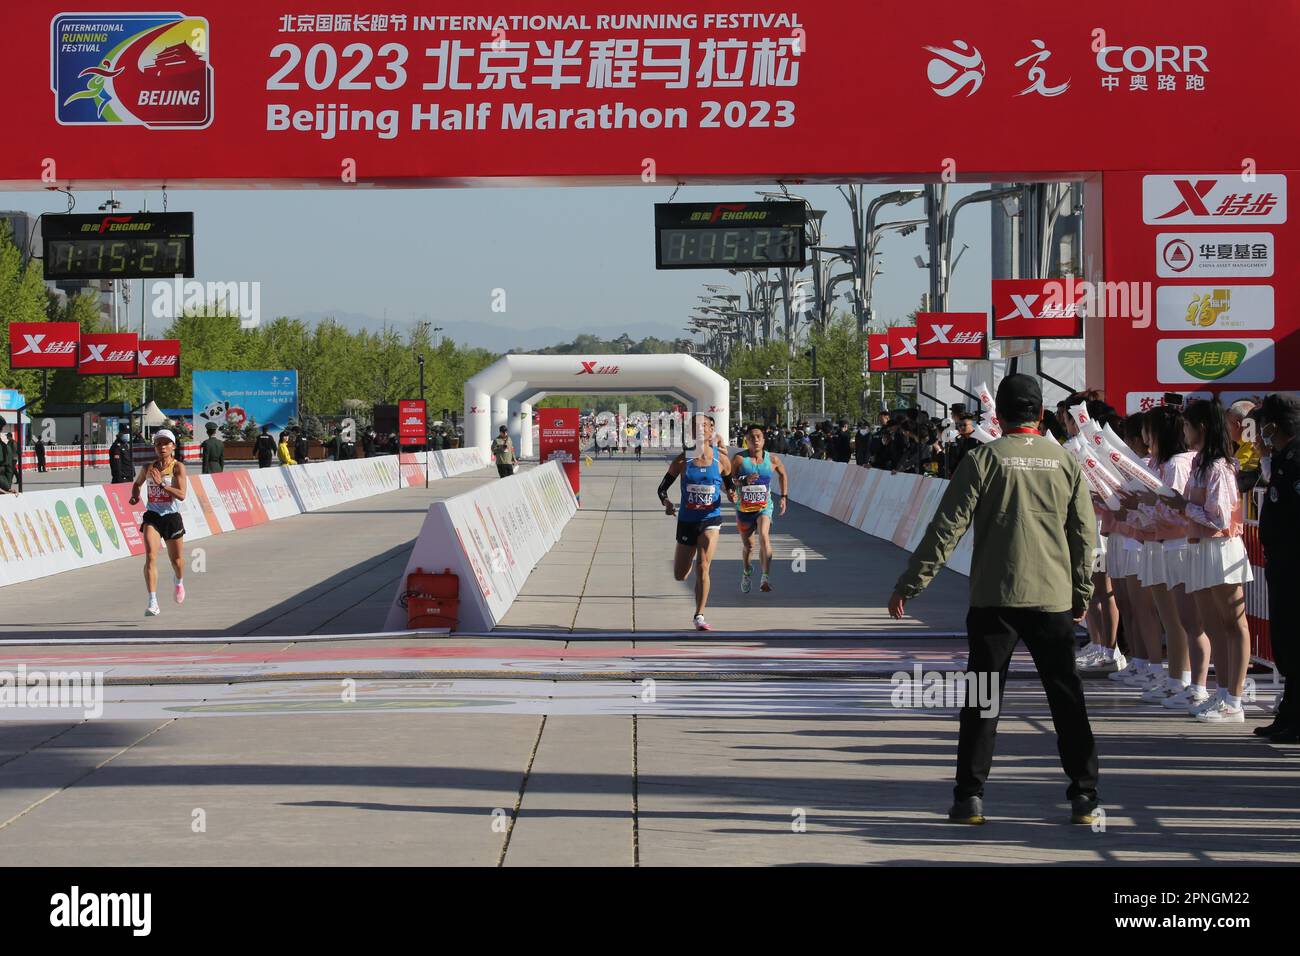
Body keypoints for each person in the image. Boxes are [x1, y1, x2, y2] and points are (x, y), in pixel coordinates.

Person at [888, 374, 1100, 826]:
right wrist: (1082, 593)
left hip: (994, 601)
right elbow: (1085, 534)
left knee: (983, 701)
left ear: (998, 416)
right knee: (1066, 699)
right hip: (1053, 599)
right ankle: (1085, 796)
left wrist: (912, 582)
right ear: (1041, 415)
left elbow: (946, 528)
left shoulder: (983, 459)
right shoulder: (1065, 463)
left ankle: (969, 799)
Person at [1167, 399, 1254, 723]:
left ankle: (1235, 698)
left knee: (1234, 623)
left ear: (1201, 428)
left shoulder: (1219, 466)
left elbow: (1219, 518)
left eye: (1187, 426)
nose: (1184, 433)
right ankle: (1222, 693)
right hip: (1201, 547)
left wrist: (1181, 506)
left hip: (1221, 547)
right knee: (1215, 625)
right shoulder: (1201, 463)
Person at [658, 414, 735, 631]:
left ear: (712, 430)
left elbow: (730, 486)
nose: (700, 430)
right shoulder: (683, 461)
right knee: (680, 575)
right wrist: (667, 503)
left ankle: (699, 615)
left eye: (703, 426)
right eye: (694, 427)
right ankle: (688, 559)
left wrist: (732, 493)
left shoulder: (722, 461)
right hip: (687, 521)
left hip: (711, 519)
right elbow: (661, 489)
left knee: (704, 567)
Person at [1254, 394, 1300, 741]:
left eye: (1263, 423)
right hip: (1282, 562)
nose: (1259, 431)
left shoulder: (1296, 457)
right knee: (1284, 640)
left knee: (1294, 639)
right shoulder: (1283, 456)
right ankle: (1290, 712)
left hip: (1294, 563)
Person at [129, 429, 188, 617]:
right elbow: (137, 484)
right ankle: (152, 601)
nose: (162, 447)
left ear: (173, 446)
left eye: (166, 443)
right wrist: (134, 496)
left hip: (171, 517)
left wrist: (162, 483)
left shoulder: (178, 467)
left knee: (177, 561)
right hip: (153, 515)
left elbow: (182, 495)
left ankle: (178, 581)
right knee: (150, 556)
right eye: (158, 444)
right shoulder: (148, 468)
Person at [731, 424, 789, 594]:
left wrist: (784, 497)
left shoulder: (772, 460)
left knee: (764, 536)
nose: (755, 440)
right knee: (749, 547)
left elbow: (783, 474)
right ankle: (747, 572)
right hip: (744, 509)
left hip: (764, 507)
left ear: (763, 440)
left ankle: (765, 577)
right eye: (751, 437)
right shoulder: (739, 459)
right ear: (746, 440)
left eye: (759, 437)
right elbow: (730, 480)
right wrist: (743, 481)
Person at [0, 417, 18, 494]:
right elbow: (9, 471)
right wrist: (7, 488)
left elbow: (9, 470)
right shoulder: (5, 446)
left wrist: (7, 488)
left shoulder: (6, 447)